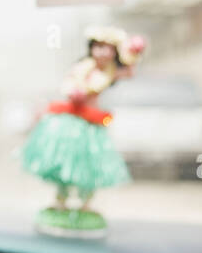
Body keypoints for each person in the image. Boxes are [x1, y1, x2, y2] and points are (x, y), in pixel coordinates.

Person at [21, 24, 145, 236]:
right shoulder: (81, 68)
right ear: (90, 48)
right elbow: (68, 84)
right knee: (64, 163)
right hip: (70, 123)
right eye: (98, 47)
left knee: (89, 167)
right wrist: (74, 91)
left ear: (115, 52)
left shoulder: (112, 72)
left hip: (92, 125)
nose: (102, 52)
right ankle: (61, 201)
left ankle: (85, 205)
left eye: (108, 48)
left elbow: (130, 72)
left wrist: (133, 51)